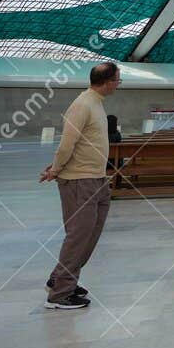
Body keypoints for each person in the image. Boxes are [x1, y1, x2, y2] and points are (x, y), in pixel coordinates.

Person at [40, 62, 121, 309]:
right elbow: (67, 143)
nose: (119, 84)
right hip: (79, 180)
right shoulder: (82, 104)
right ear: (107, 81)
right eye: (118, 80)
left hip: (96, 178)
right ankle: (59, 295)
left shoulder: (96, 103)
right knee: (78, 237)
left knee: (89, 236)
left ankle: (62, 278)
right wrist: (55, 169)